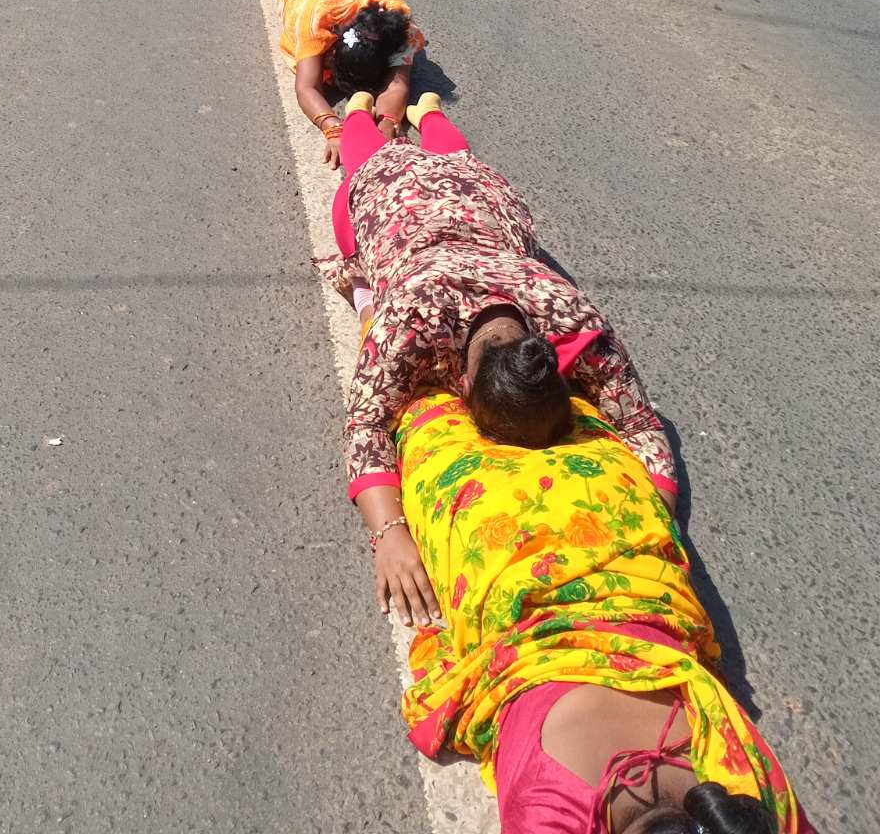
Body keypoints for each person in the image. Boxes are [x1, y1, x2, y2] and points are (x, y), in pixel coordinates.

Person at [387, 384, 813, 832]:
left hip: (537, 577)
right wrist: (388, 531)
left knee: (435, 431)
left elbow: (636, 416)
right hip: (614, 581)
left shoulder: (747, 796)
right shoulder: (745, 800)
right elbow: (636, 417)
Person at [319, 97, 678, 619]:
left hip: (481, 201)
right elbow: (366, 423)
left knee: (461, 166)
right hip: (394, 204)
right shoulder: (415, 318)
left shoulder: (571, 320)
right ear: (459, 382)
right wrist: (389, 534)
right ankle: (360, 112)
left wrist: (653, 528)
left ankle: (427, 112)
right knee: (370, 162)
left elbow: (641, 425)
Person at [270, 0, 421, 162]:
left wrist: (388, 122)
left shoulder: (401, 30)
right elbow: (306, 88)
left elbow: (398, 85)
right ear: (331, 49)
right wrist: (332, 128)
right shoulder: (314, 20)